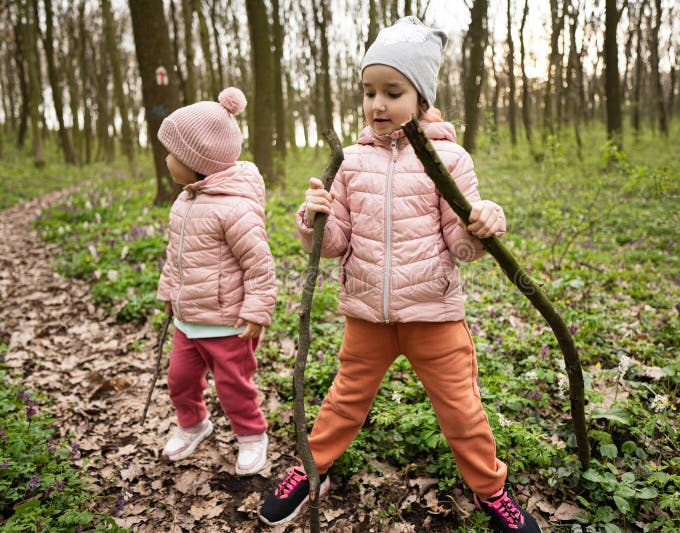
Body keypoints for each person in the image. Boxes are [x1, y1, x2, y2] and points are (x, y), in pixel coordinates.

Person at [258, 17, 541, 533]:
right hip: (367, 313)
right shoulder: (349, 160)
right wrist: (315, 217)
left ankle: (491, 491)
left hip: (433, 313)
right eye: (369, 92)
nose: (378, 105)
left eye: (393, 91)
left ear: (422, 98)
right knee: (344, 399)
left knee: (461, 409)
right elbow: (336, 243)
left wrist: (481, 223)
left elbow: (461, 244)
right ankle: (310, 469)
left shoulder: (447, 159)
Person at [155, 87, 276, 476]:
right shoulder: (184, 202)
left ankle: (252, 435)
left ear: (196, 162)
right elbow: (177, 255)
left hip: (228, 324)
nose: (167, 160)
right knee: (180, 379)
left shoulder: (234, 208)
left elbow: (259, 264)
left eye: (173, 154)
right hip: (188, 320)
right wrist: (169, 293)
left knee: (234, 386)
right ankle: (193, 424)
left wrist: (257, 309)